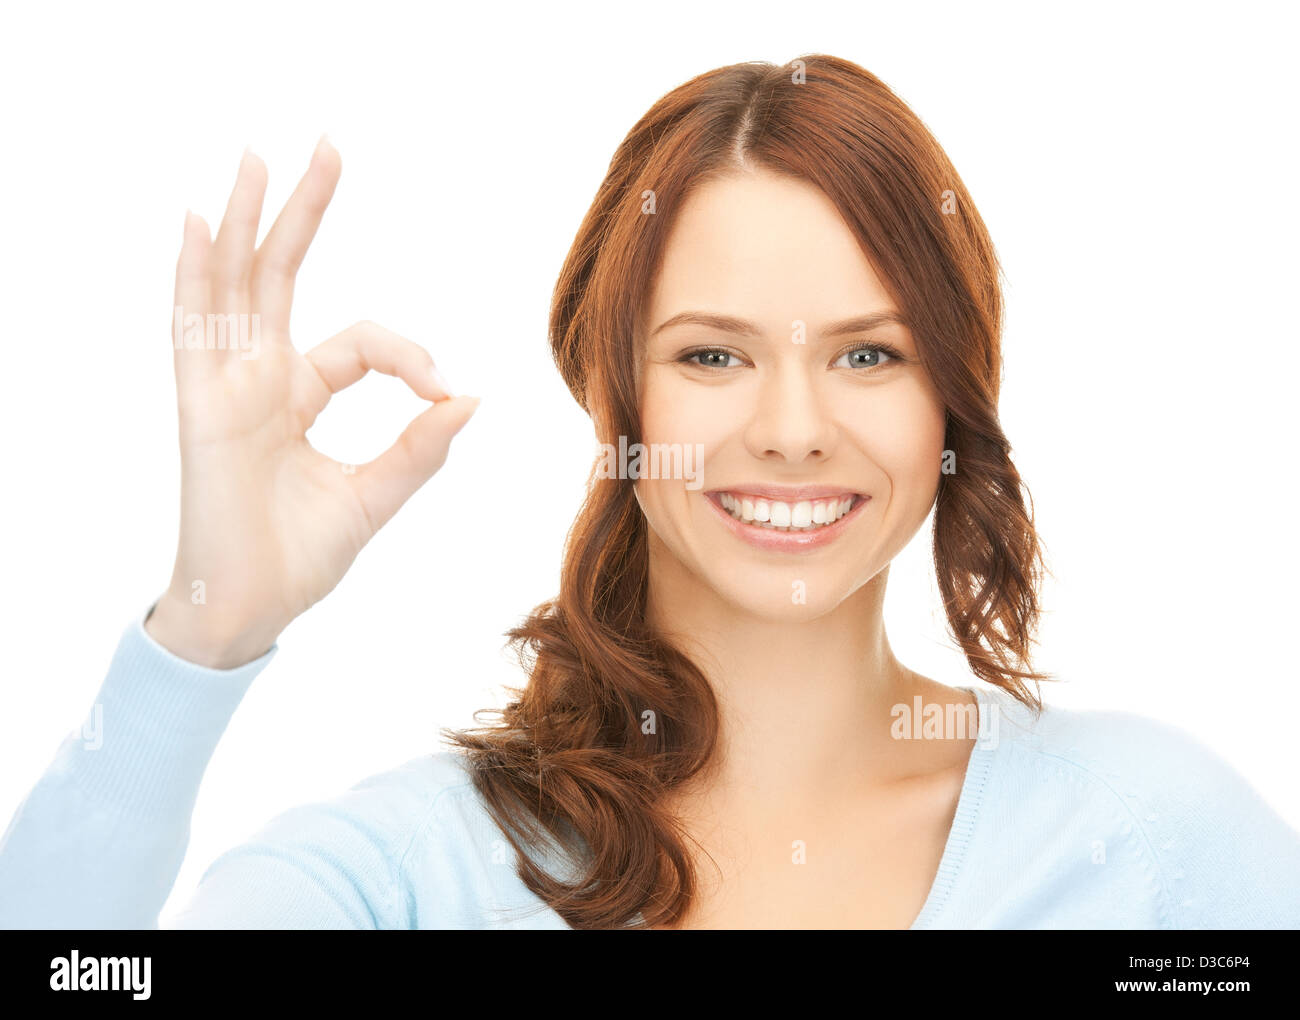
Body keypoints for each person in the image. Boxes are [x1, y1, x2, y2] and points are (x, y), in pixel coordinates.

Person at [2, 54, 1297, 930]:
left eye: (867, 354)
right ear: (610, 390)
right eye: (713, 355)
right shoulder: (412, 880)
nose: (793, 430)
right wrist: (203, 633)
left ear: (949, 394)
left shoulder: (1157, 849)